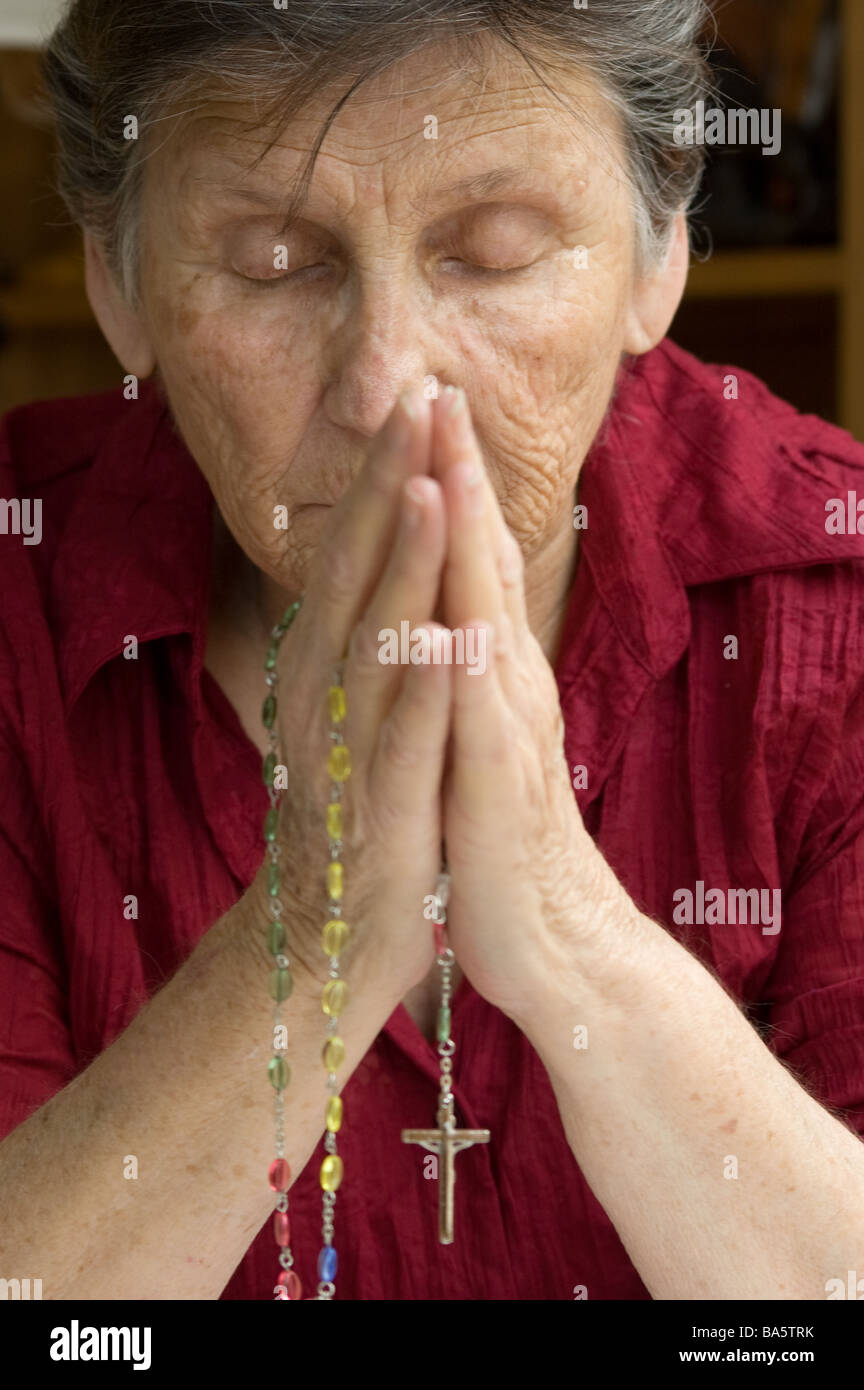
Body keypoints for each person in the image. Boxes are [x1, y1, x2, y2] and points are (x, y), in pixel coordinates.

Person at [1, 0, 863, 1301]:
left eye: (498, 252)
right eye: (276, 261)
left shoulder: (837, 589)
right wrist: (310, 928)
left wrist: (572, 936)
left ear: (658, 255)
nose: (390, 387)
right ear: (120, 284)